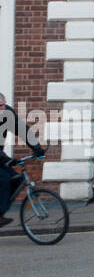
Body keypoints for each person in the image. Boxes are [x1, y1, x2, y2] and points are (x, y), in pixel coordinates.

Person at [0, 93, 44, 228]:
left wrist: (36, 148)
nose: (2, 109)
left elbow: (22, 130)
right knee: (4, 179)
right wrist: (8, 160)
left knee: (17, 179)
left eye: (2, 105)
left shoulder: (7, 113)